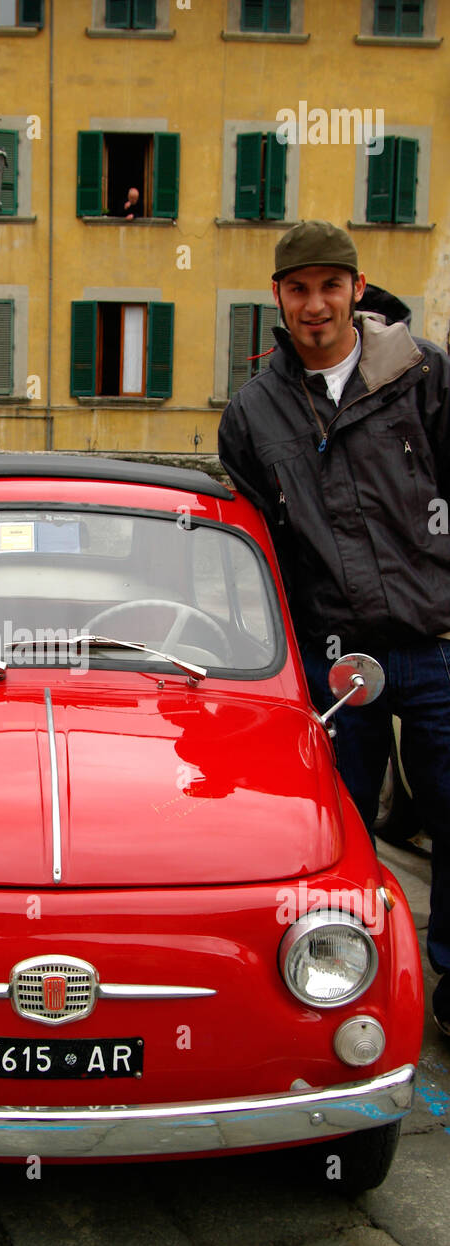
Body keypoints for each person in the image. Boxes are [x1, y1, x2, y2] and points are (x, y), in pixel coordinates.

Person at [217, 220, 450, 1039]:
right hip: (327, 655)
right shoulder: (253, 409)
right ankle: (342, 984)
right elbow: (259, 546)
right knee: (332, 830)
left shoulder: (423, 376)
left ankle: (448, 978)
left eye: (328, 286)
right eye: (296, 288)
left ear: (356, 289)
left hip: (433, 642)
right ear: (277, 298)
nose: (313, 304)